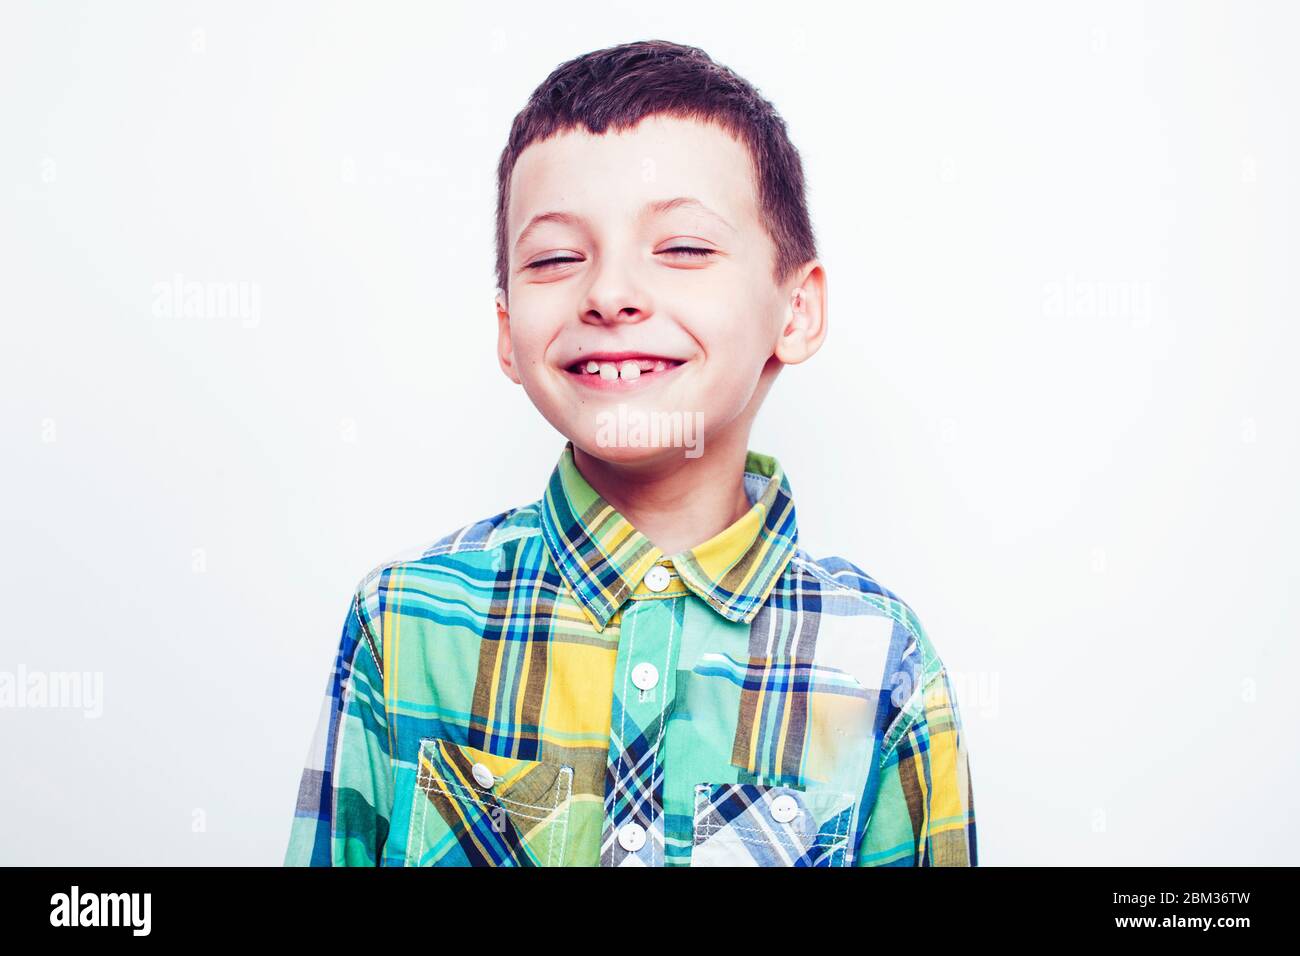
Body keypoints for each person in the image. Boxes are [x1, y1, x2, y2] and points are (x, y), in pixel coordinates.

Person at [284, 38, 977, 867]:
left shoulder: (883, 664)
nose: (609, 294)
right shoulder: (404, 624)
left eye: (683, 248)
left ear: (795, 312)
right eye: (556, 258)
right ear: (508, 332)